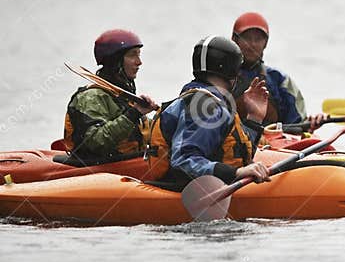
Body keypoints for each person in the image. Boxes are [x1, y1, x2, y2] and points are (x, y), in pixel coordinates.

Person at [145, 36, 270, 186]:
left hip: (208, 188)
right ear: (232, 71)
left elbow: (234, 152)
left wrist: (254, 119)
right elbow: (183, 161)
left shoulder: (202, 100)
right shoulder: (205, 107)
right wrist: (235, 173)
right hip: (189, 193)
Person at [63, 29, 159, 164]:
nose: (139, 62)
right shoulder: (91, 97)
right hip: (98, 168)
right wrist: (134, 113)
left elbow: (145, 131)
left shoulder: (122, 97)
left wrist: (168, 120)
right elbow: (96, 141)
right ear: (115, 61)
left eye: (139, 55)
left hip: (127, 164)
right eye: (132, 55)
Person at [230, 11, 319, 129]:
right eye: (246, 38)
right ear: (235, 40)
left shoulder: (281, 81)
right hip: (230, 141)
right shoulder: (220, 78)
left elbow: (298, 126)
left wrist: (310, 124)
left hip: (272, 143)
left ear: (265, 43)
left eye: (258, 39)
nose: (252, 44)